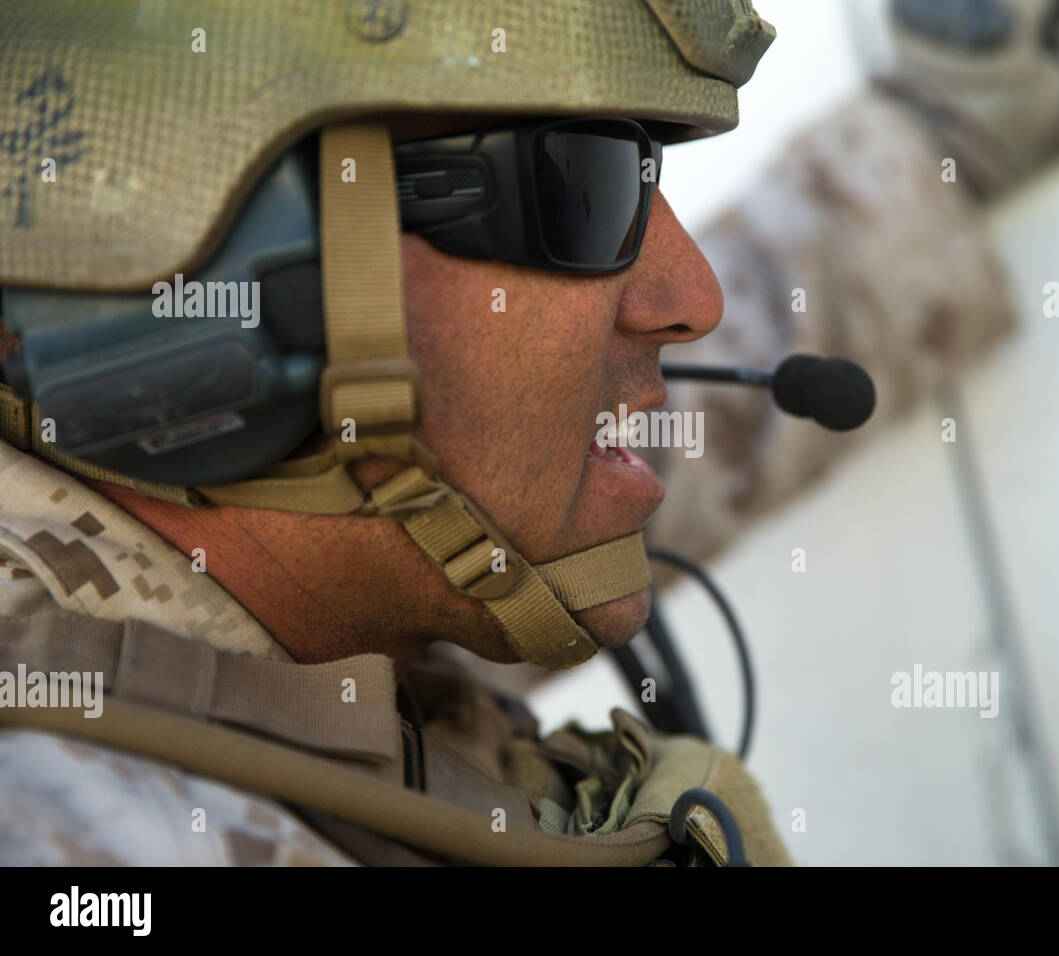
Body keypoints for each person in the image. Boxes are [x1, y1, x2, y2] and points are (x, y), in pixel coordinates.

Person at [0, 0, 790, 866]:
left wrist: (946, 122)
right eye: (581, 184)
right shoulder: (63, 829)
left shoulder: (357, 650)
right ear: (222, 270)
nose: (696, 300)